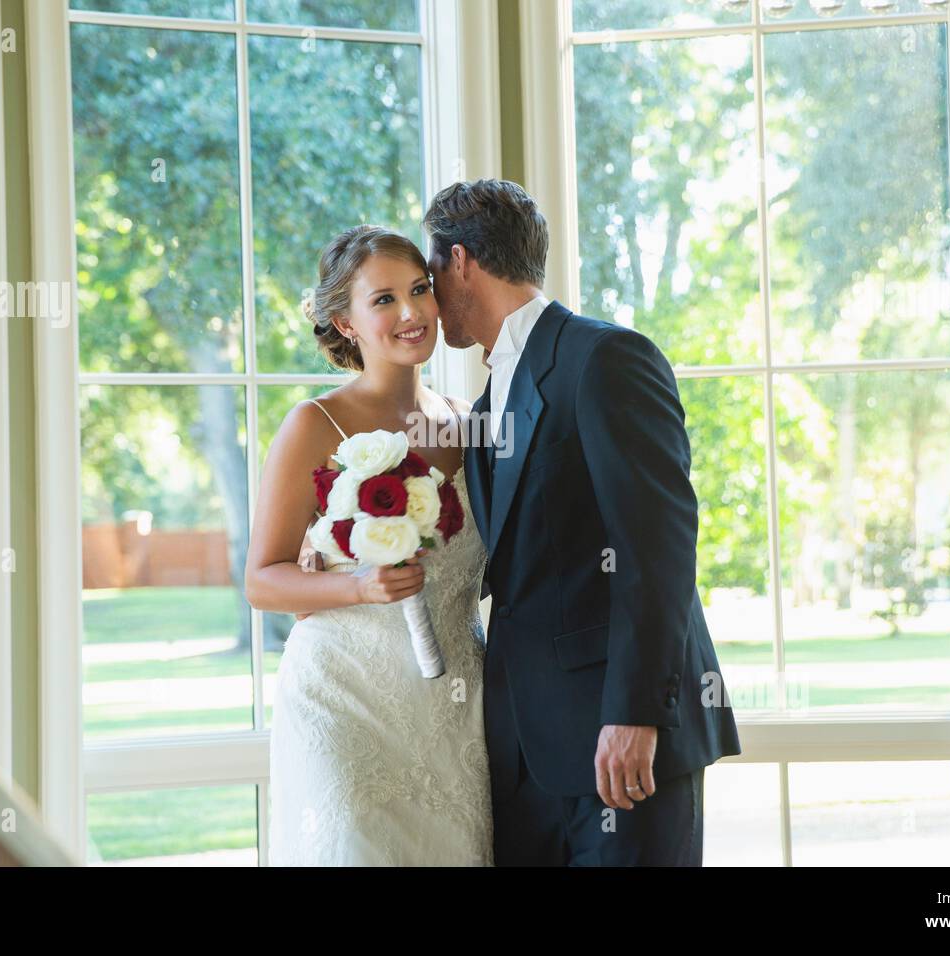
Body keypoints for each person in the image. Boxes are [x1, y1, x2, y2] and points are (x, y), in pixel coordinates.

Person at [422, 178, 742, 866]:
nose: (427, 299)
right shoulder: (481, 406)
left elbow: (657, 550)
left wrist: (636, 713)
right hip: (521, 759)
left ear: (461, 262)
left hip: (620, 745)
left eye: (429, 276)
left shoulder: (606, 359)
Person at [245, 225, 492, 865]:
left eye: (419, 290)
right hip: (342, 698)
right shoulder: (314, 425)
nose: (411, 313)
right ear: (344, 321)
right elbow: (263, 579)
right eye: (383, 299)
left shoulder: (471, 425)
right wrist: (356, 586)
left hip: (452, 702)